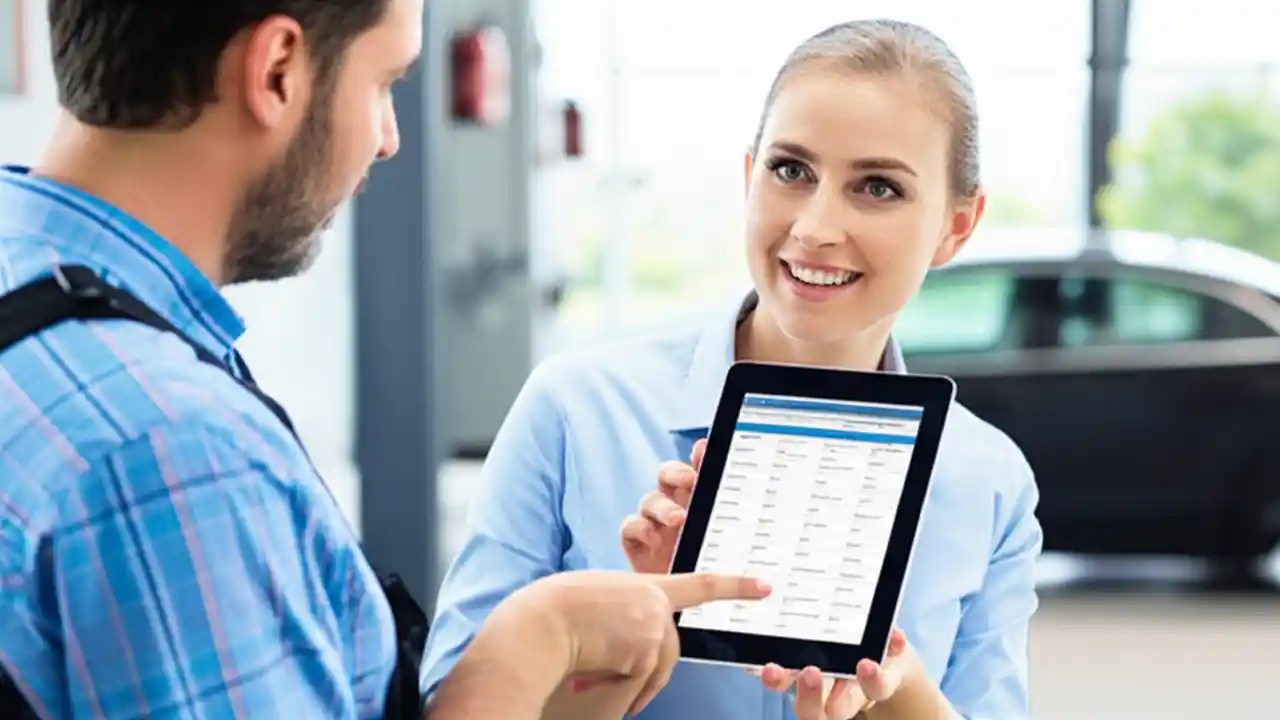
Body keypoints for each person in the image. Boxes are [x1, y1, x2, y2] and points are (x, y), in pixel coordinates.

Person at [0, 2, 774, 719]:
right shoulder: (180, 454)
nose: (388, 136)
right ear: (277, 71)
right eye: (384, 84)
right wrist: (528, 645)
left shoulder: (30, 281)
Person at [420, 17, 1044, 720]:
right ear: (750, 175)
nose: (814, 227)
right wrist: (622, 639)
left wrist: (899, 697)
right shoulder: (577, 410)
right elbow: (453, 706)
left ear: (956, 227)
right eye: (791, 171)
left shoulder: (988, 482)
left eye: (877, 188)